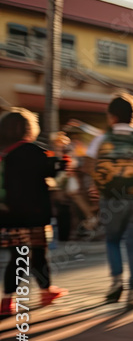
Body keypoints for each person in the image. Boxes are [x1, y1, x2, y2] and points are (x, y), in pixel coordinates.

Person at [85, 94, 133, 307]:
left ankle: (116, 281)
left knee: (112, 240)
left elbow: (88, 163)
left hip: (111, 198)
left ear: (111, 117)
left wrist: (98, 185)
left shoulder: (102, 139)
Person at [0, 109, 68, 316]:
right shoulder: (34, 151)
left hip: (8, 215)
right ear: (29, 129)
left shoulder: (3, 153)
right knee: (38, 253)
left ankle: (7, 300)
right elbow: (55, 169)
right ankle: (46, 291)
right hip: (35, 214)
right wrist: (62, 152)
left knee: (16, 256)